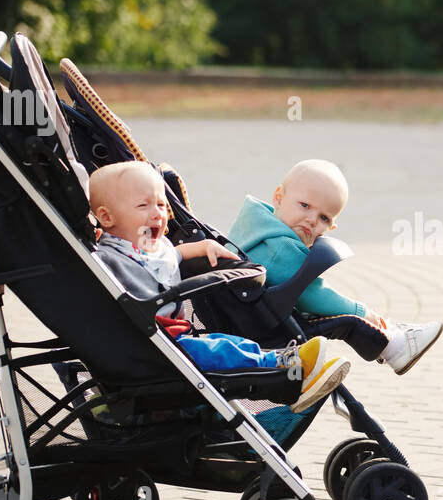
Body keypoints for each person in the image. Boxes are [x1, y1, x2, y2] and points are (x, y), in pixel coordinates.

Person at [89, 161, 350, 413]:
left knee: (228, 343)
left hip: (171, 340)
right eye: (143, 205)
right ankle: (286, 370)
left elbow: (174, 255)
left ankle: (288, 370)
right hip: (151, 347)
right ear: (106, 217)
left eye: (160, 204)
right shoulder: (108, 256)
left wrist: (203, 247)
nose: (157, 213)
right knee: (221, 352)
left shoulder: (150, 247)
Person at [227, 159, 443, 375]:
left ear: (332, 226)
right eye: (304, 206)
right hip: (258, 323)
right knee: (347, 319)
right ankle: (394, 345)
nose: (312, 220)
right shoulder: (279, 247)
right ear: (278, 197)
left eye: (323, 218)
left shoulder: (255, 224)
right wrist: (362, 311)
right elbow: (312, 294)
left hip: (249, 310)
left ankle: (392, 337)